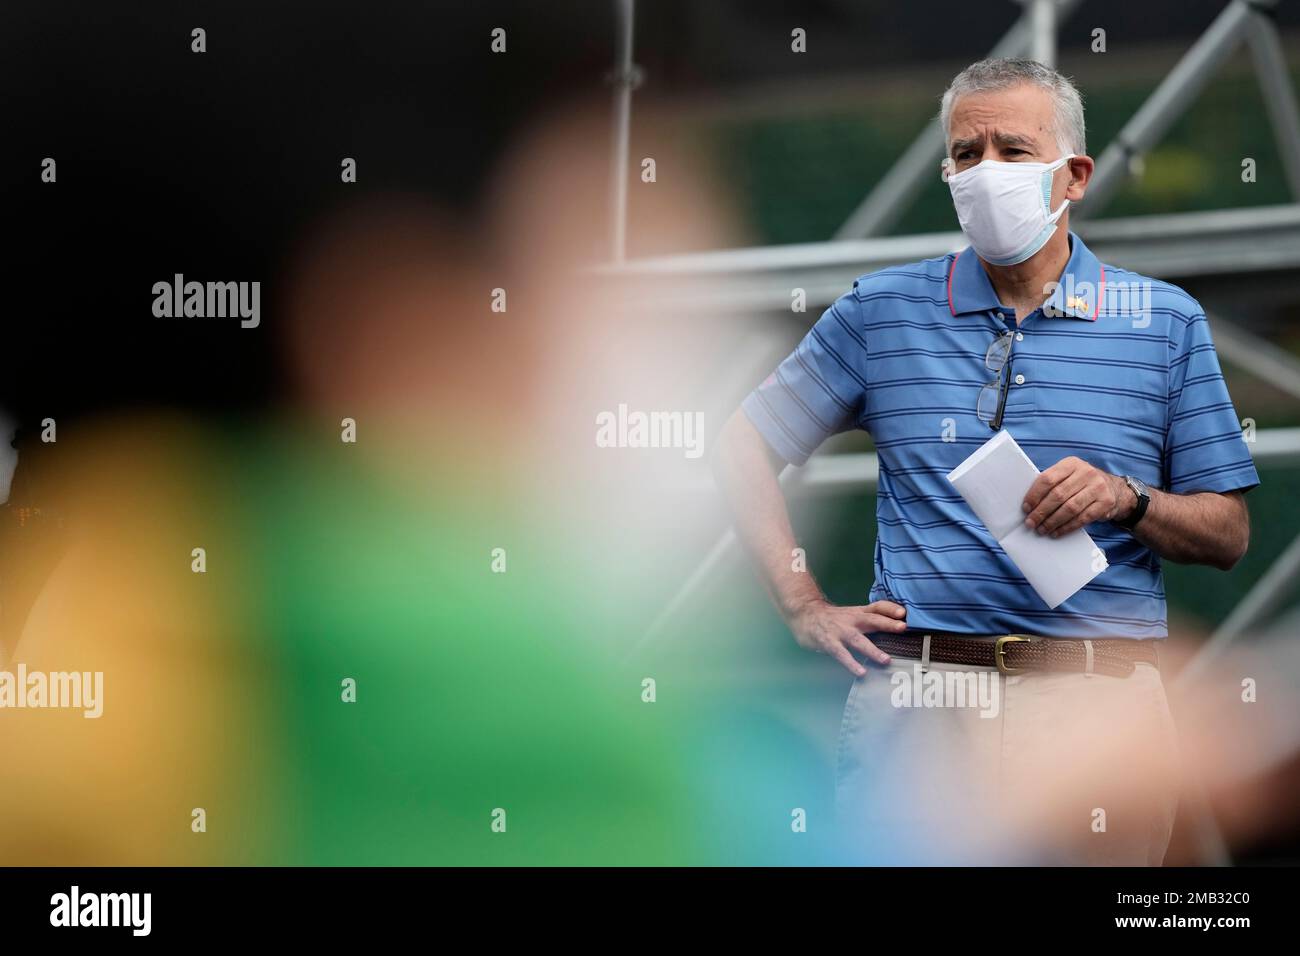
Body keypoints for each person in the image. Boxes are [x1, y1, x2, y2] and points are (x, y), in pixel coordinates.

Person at [712, 58, 1258, 865]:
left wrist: (1127, 498)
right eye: (966, 155)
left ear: (1073, 175)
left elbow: (1229, 533)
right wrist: (800, 603)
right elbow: (741, 442)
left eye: (1011, 149)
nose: (985, 172)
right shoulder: (880, 310)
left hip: (1097, 705)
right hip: (922, 702)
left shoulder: (1165, 322)